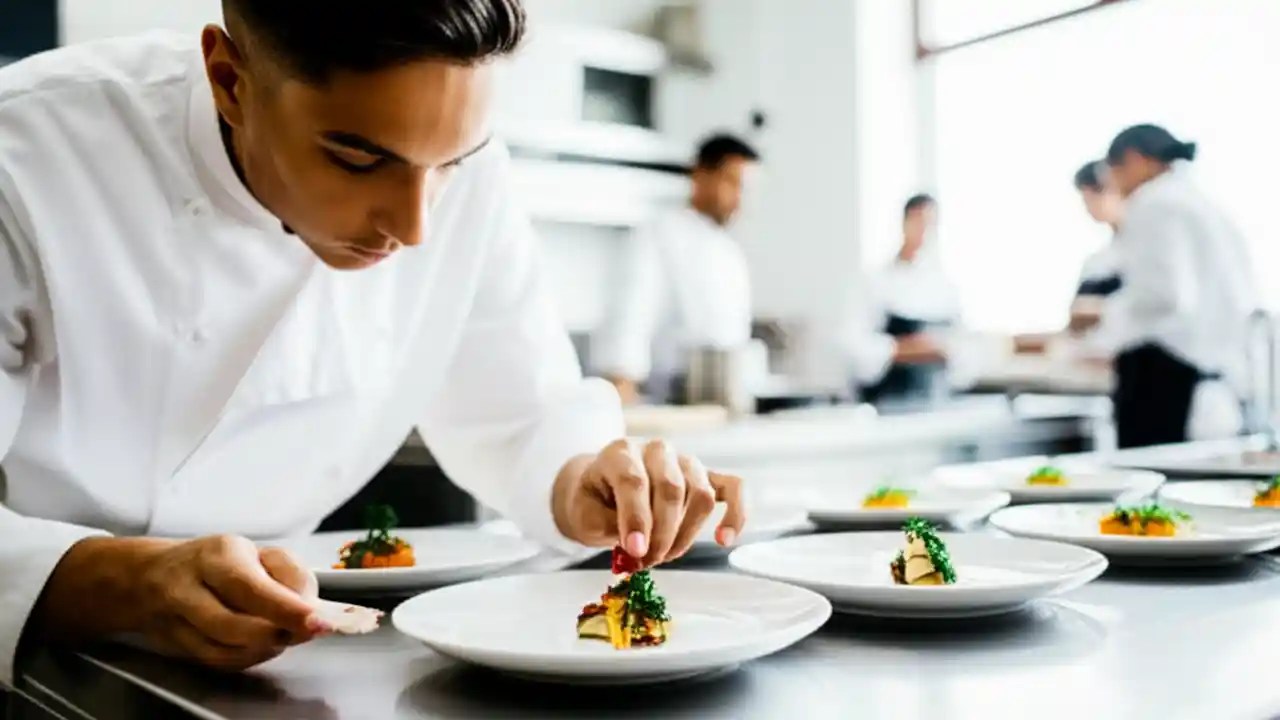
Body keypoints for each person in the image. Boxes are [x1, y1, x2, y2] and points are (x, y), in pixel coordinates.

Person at [0, 0, 746, 683]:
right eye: (358, 159)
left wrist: (584, 481)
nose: (415, 228)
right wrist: (101, 580)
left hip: (277, 665)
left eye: (450, 164)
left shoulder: (474, 181)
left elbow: (520, 417)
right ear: (231, 80)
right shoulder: (27, 154)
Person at [1086, 124, 1259, 448]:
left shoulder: (1154, 203)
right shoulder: (1201, 202)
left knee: (1148, 492)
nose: (1113, 183)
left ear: (1135, 160)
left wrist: (1103, 316)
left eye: (1113, 170)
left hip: (1168, 383)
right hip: (1213, 386)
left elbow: (1162, 296)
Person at [594, 134, 760, 405]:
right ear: (700, 175)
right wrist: (621, 386)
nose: (739, 199)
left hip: (722, 402)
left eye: (744, 188)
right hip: (665, 401)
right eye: (732, 183)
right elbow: (629, 316)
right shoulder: (659, 235)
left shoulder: (730, 252)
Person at [842, 194, 960, 409]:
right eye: (918, 222)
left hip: (935, 402)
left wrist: (943, 350)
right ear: (904, 223)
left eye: (930, 225)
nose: (923, 232)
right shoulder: (876, 282)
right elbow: (854, 346)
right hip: (887, 403)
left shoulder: (946, 288)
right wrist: (904, 349)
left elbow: (963, 352)